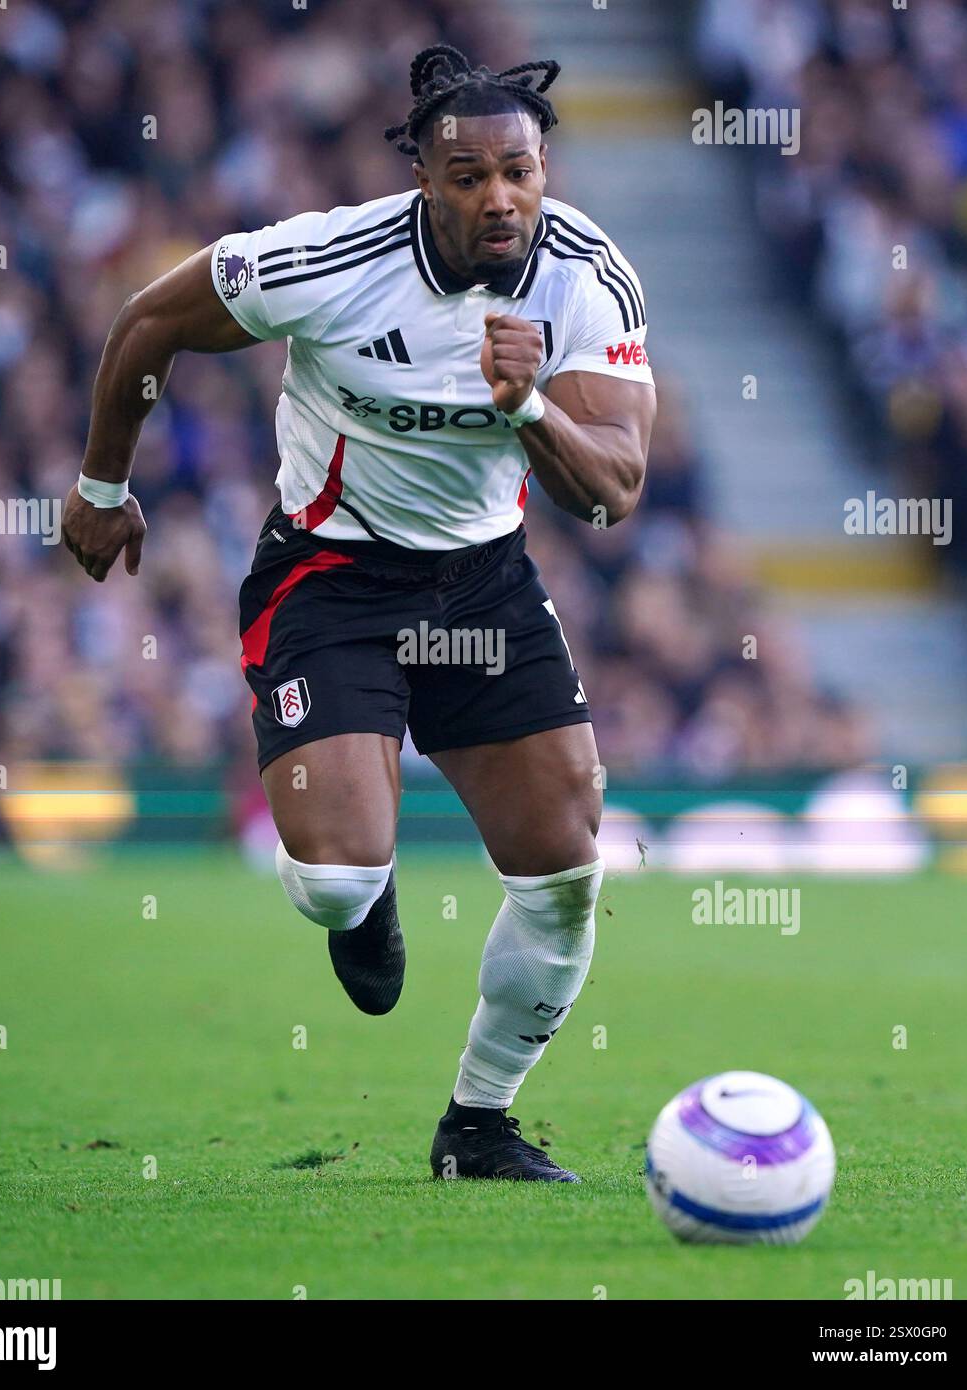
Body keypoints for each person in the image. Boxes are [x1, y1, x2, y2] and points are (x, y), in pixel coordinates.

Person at [62, 45, 655, 1182]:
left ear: (545, 170)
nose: (501, 198)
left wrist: (527, 401)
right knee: (336, 874)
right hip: (330, 579)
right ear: (423, 182)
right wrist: (101, 489)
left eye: (520, 173)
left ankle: (477, 1124)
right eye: (470, 175)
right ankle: (362, 901)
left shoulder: (588, 276)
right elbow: (148, 322)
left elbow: (614, 492)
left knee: (568, 870)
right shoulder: (332, 256)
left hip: (483, 583)